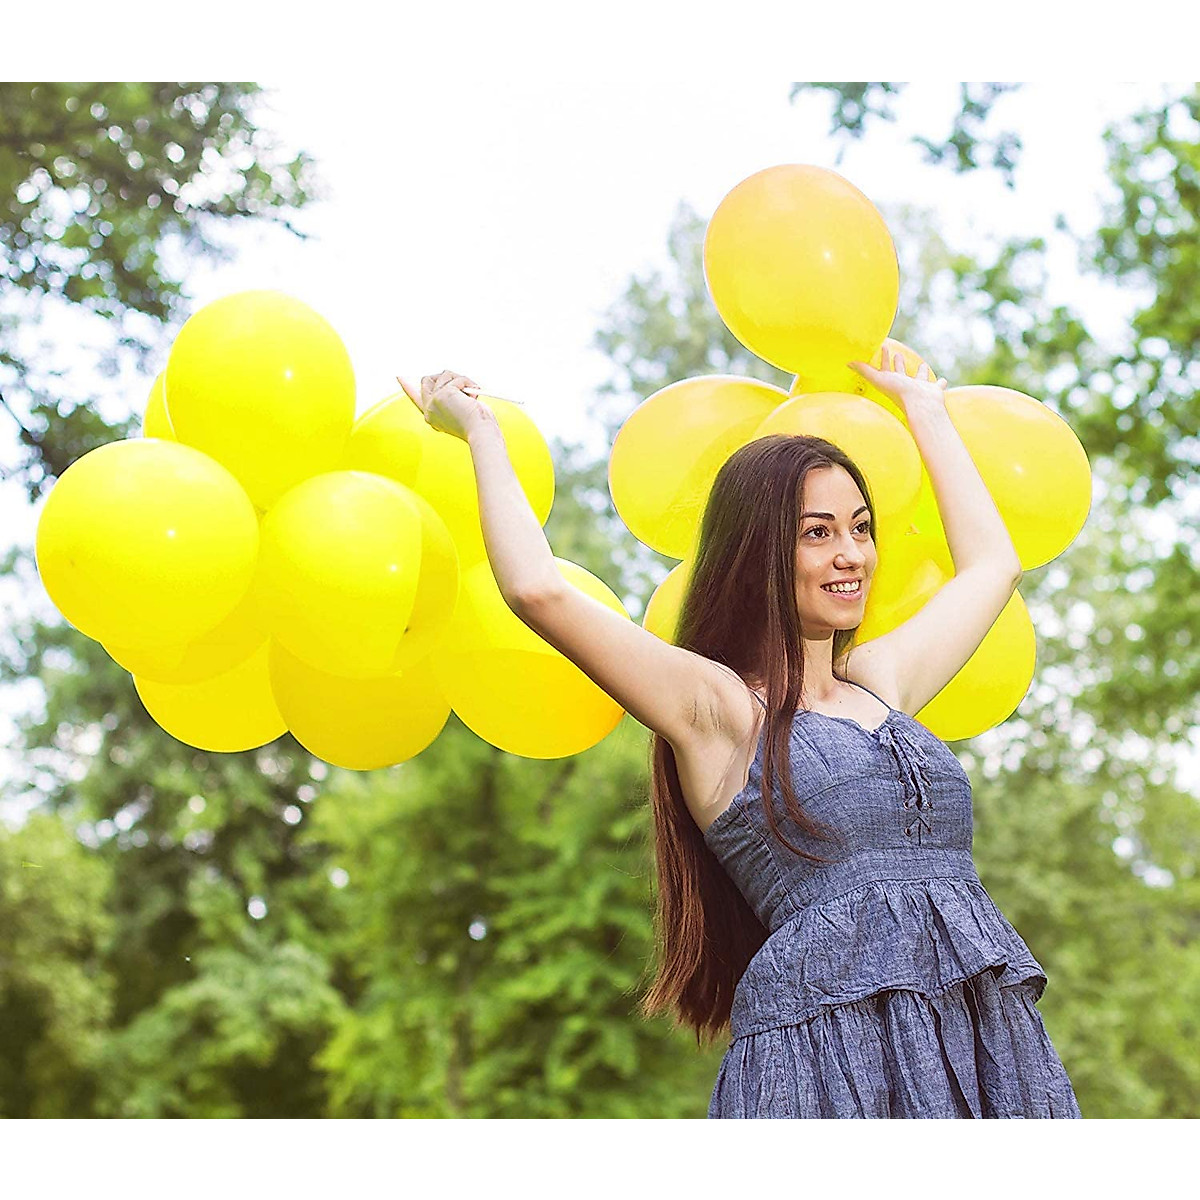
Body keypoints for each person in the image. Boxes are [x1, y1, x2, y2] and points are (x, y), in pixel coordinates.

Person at [397, 351, 1082, 1119]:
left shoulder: (880, 683)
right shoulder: (718, 711)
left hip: (982, 1038)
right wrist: (479, 426)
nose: (850, 554)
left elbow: (993, 566)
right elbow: (537, 588)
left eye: (860, 529)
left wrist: (924, 407)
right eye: (817, 533)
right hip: (827, 1063)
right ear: (761, 550)